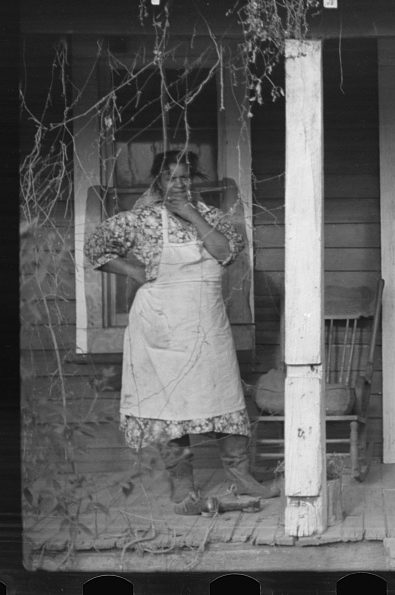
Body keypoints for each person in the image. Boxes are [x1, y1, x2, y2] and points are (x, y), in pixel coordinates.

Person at [84, 150, 279, 516]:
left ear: (195, 180)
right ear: (157, 180)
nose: (180, 183)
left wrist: (190, 214)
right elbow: (95, 249)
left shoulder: (212, 218)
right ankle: (182, 481)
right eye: (171, 176)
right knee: (169, 402)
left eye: (186, 176)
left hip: (207, 322)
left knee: (224, 393)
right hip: (162, 323)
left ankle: (242, 477)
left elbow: (225, 253)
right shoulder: (139, 221)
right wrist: (133, 271)